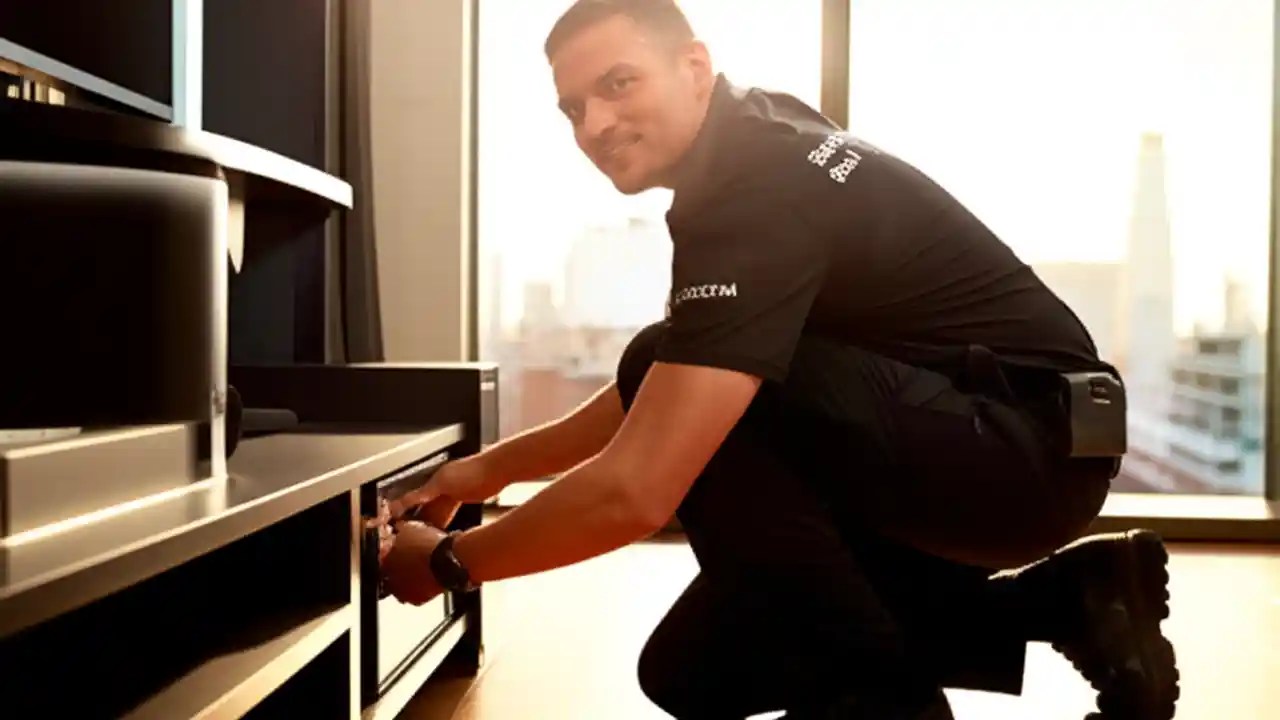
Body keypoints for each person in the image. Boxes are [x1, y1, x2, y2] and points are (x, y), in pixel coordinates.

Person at [378, 1, 1179, 718]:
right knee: (692, 672)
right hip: (989, 435)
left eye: (619, 84)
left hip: (1018, 453)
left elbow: (637, 492)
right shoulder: (758, 131)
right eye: (574, 108)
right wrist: (486, 471)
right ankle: (1072, 603)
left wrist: (449, 564)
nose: (593, 125)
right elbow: (674, 386)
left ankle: (886, 701)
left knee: (677, 377)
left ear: (694, 66)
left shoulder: (751, 193)